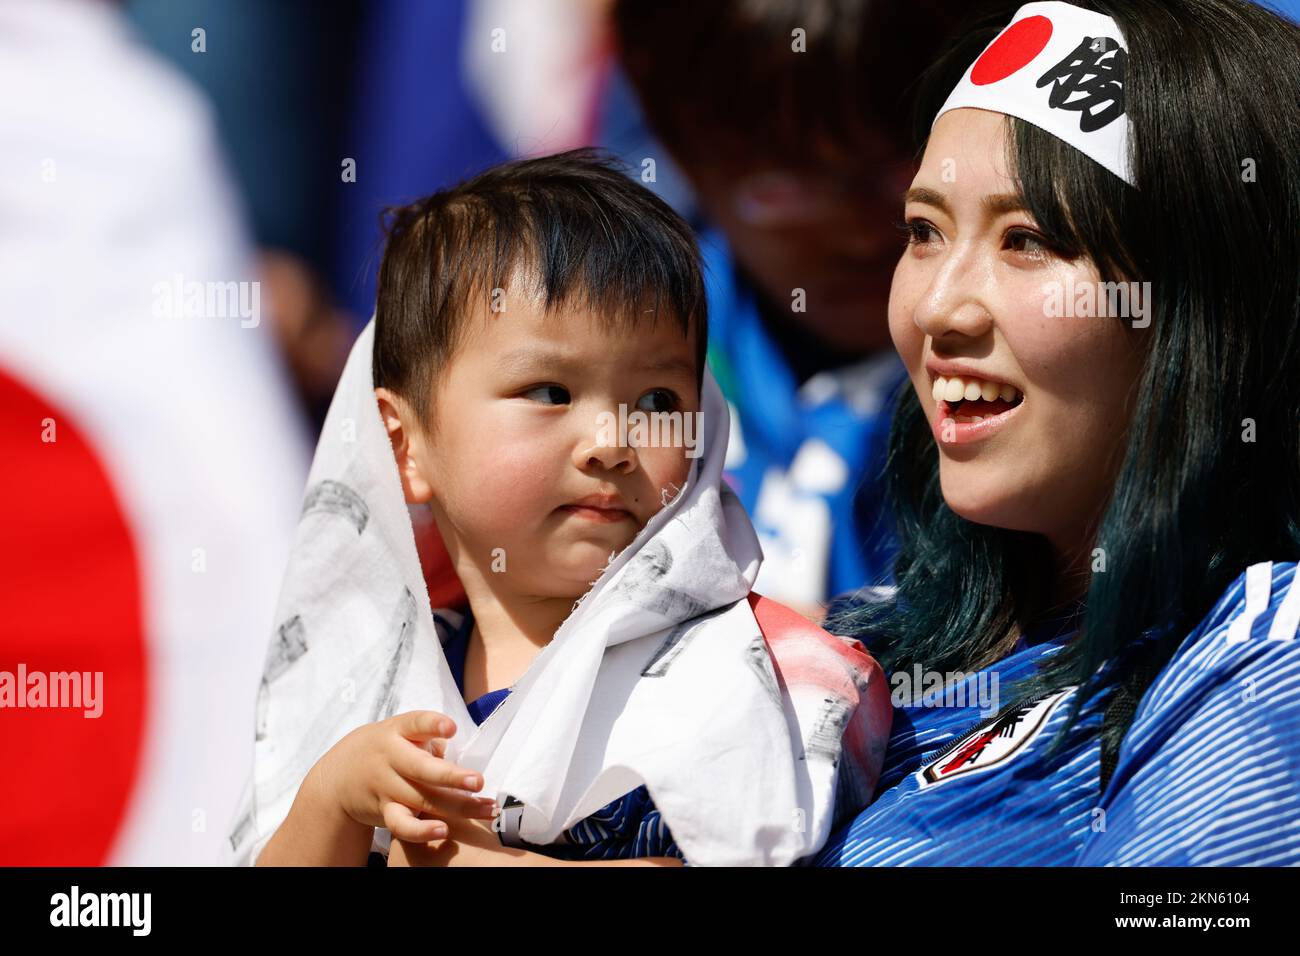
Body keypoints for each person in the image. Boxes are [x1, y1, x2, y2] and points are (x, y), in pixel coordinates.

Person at [236, 150, 893, 868]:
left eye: (655, 402)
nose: (611, 444)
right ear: (406, 447)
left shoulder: (741, 679)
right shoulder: (381, 686)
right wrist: (331, 800)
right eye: (549, 392)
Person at [816, 0, 1300, 865]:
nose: (936, 307)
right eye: (924, 231)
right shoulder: (873, 638)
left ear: (1211, 307)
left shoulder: (1265, 664)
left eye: (1028, 239)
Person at [611, 0, 966, 614]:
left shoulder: (1072, 378)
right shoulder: (613, 348)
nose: (859, 233)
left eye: (900, 164)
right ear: (684, 155)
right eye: (786, 182)